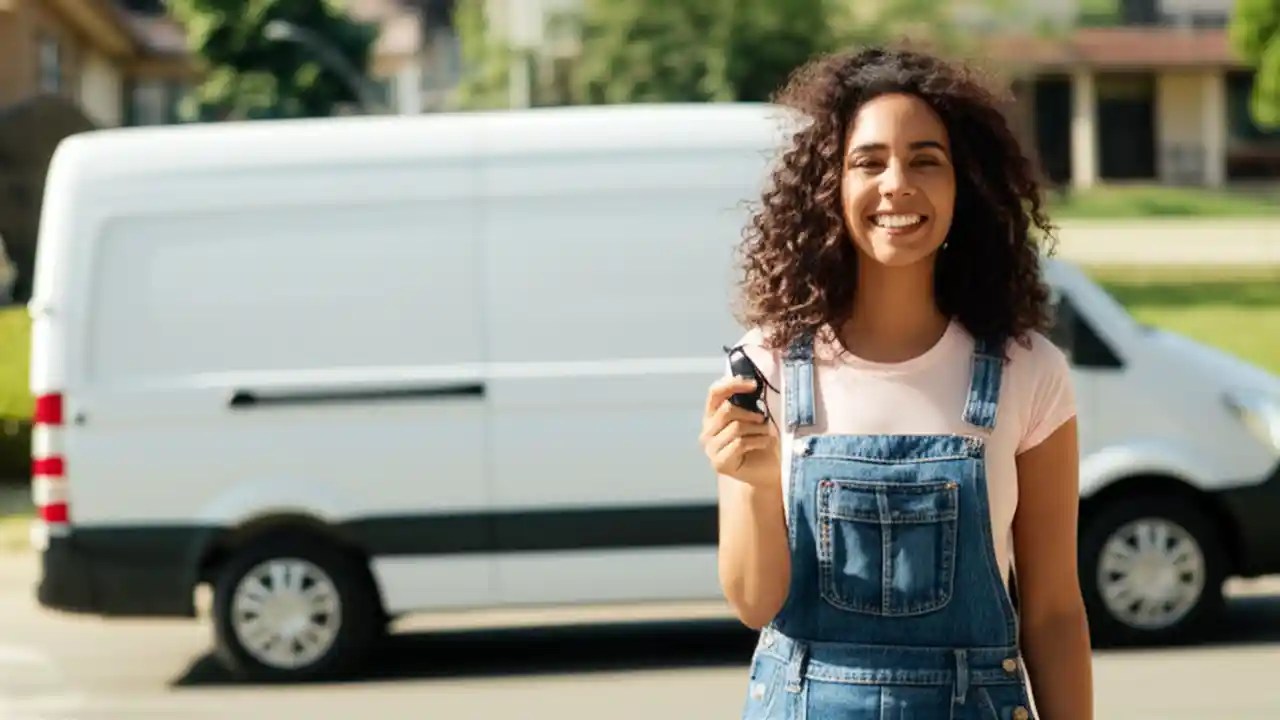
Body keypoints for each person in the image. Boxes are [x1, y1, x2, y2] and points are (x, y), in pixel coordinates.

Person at [699, 47, 1094, 719]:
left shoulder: (1032, 374)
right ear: (831, 183)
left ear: (963, 186)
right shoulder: (763, 365)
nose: (896, 184)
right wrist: (756, 480)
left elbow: (1055, 610)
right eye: (869, 160)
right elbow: (754, 604)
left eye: (925, 160)